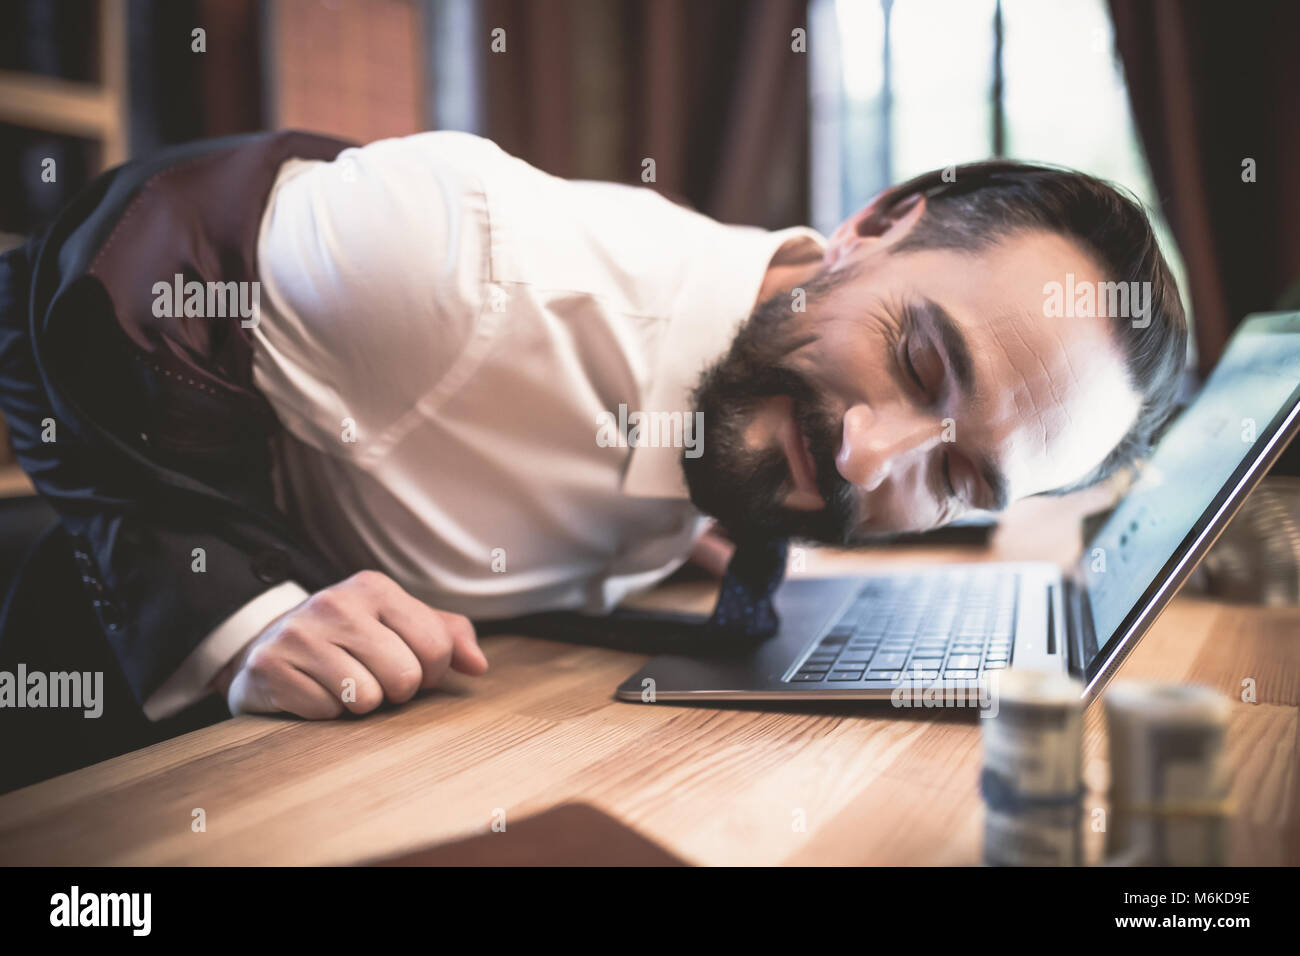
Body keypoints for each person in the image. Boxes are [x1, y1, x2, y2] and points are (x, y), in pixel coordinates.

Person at [0, 130, 1185, 749]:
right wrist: (239, 613)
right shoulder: (455, 258)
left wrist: (680, 535)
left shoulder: (757, 415)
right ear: (873, 225)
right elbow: (37, 309)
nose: (875, 458)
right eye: (921, 360)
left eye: (961, 474)